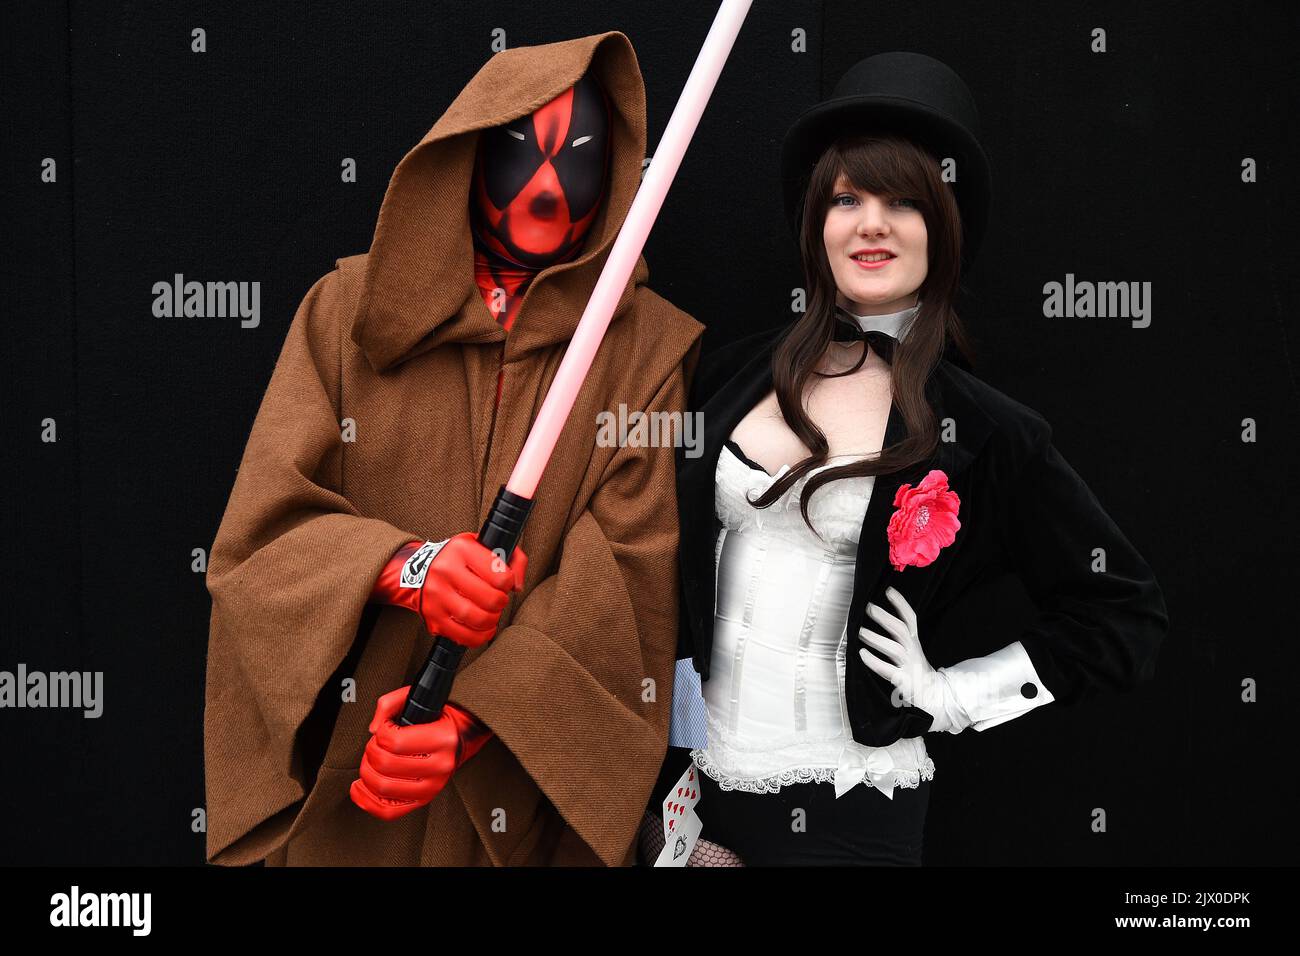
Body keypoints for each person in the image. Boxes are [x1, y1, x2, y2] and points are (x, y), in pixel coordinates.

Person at [640, 52, 1168, 867]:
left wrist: (951, 696)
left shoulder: (989, 432)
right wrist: (676, 781)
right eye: (847, 197)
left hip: (854, 813)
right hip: (699, 804)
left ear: (944, 227)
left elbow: (1122, 615)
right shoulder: (720, 371)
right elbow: (679, 591)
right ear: (816, 219)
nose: (871, 223)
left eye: (905, 202)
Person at [203, 31, 704, 867]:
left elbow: (626, 581)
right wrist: (407, 567)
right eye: (522, 154)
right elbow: (258, 543)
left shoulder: (645, 350)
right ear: (468, 156)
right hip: (352, 775)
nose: (547, 189)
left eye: (579, 158)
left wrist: (473, 720)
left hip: (513, 803)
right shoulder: (346, 315)